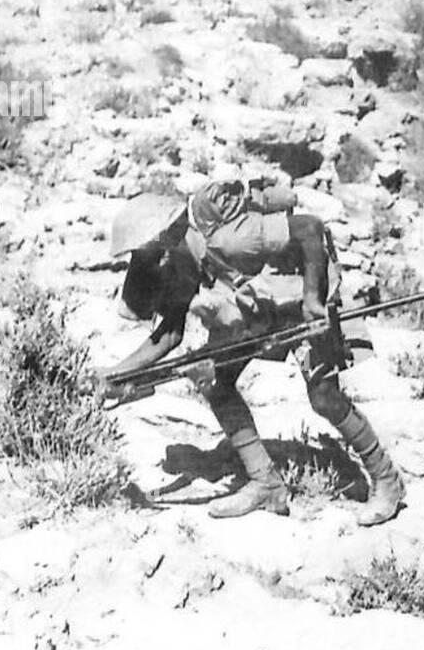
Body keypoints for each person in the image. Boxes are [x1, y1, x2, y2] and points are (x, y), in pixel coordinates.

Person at [99, 181, 405, 525]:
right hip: (260, 305)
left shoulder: (229, 237)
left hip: (304, 294)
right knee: (216, 381)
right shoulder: (182, 254)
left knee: (324, 397)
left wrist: (312, 299)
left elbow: (309, 228)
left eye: (143, 252)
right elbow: (169, 333)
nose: (144, 262)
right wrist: (115, 374)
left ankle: (387, 480)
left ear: (162, 237)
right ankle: (266, 484)